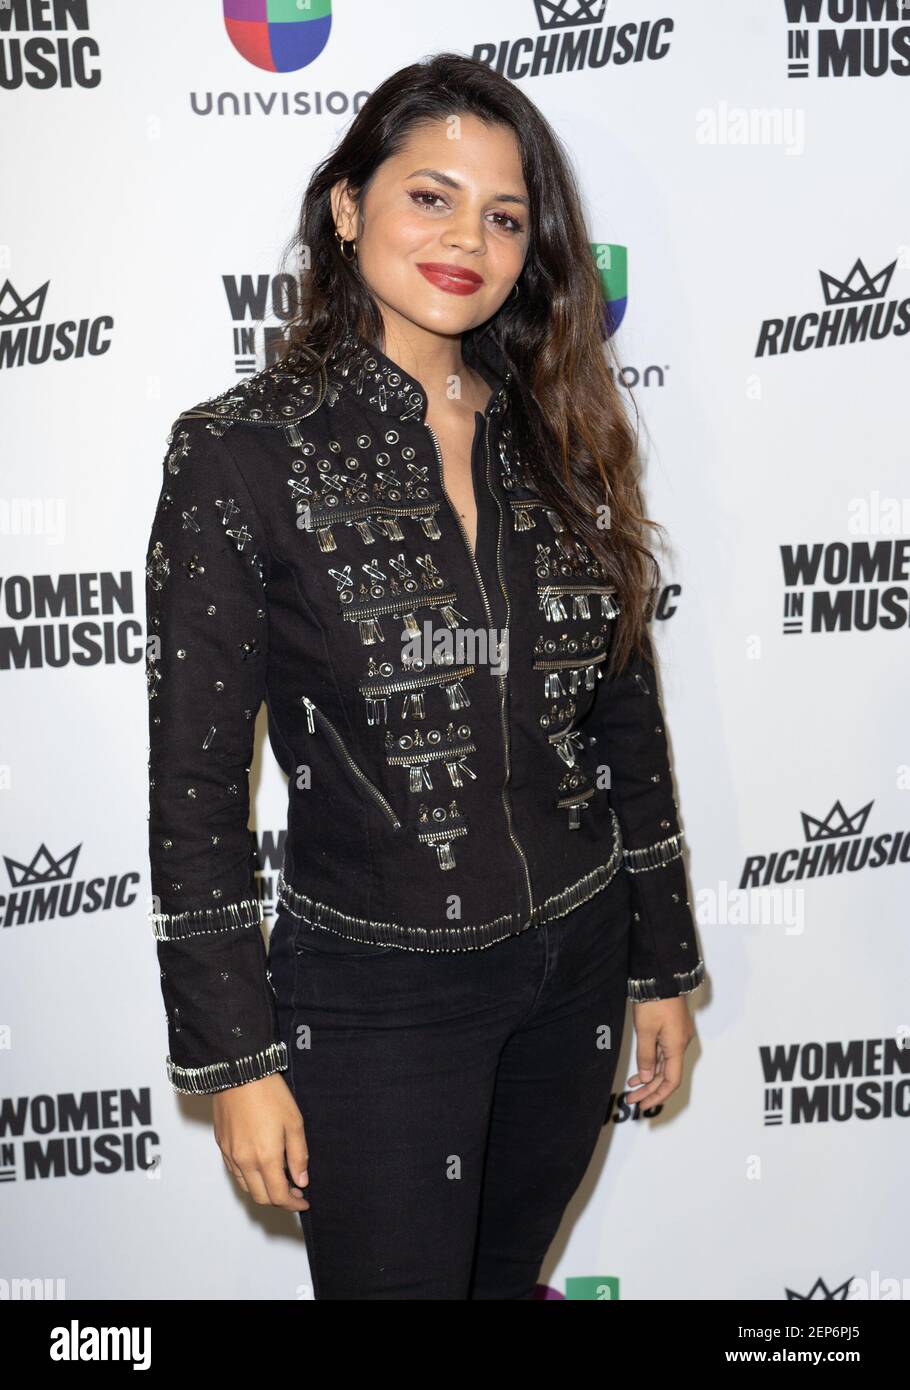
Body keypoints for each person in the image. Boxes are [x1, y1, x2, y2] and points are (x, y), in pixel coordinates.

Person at [144, 52, 705, 1300]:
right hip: (377, 997)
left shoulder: (556, 432)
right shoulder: (239, 456)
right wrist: (233, 1058)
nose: (469, 239)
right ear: (347, 207)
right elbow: (191, 791)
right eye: (430, 196)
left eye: (504, 215)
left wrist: (660, 962)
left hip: (575, 967)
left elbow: (623, 713)